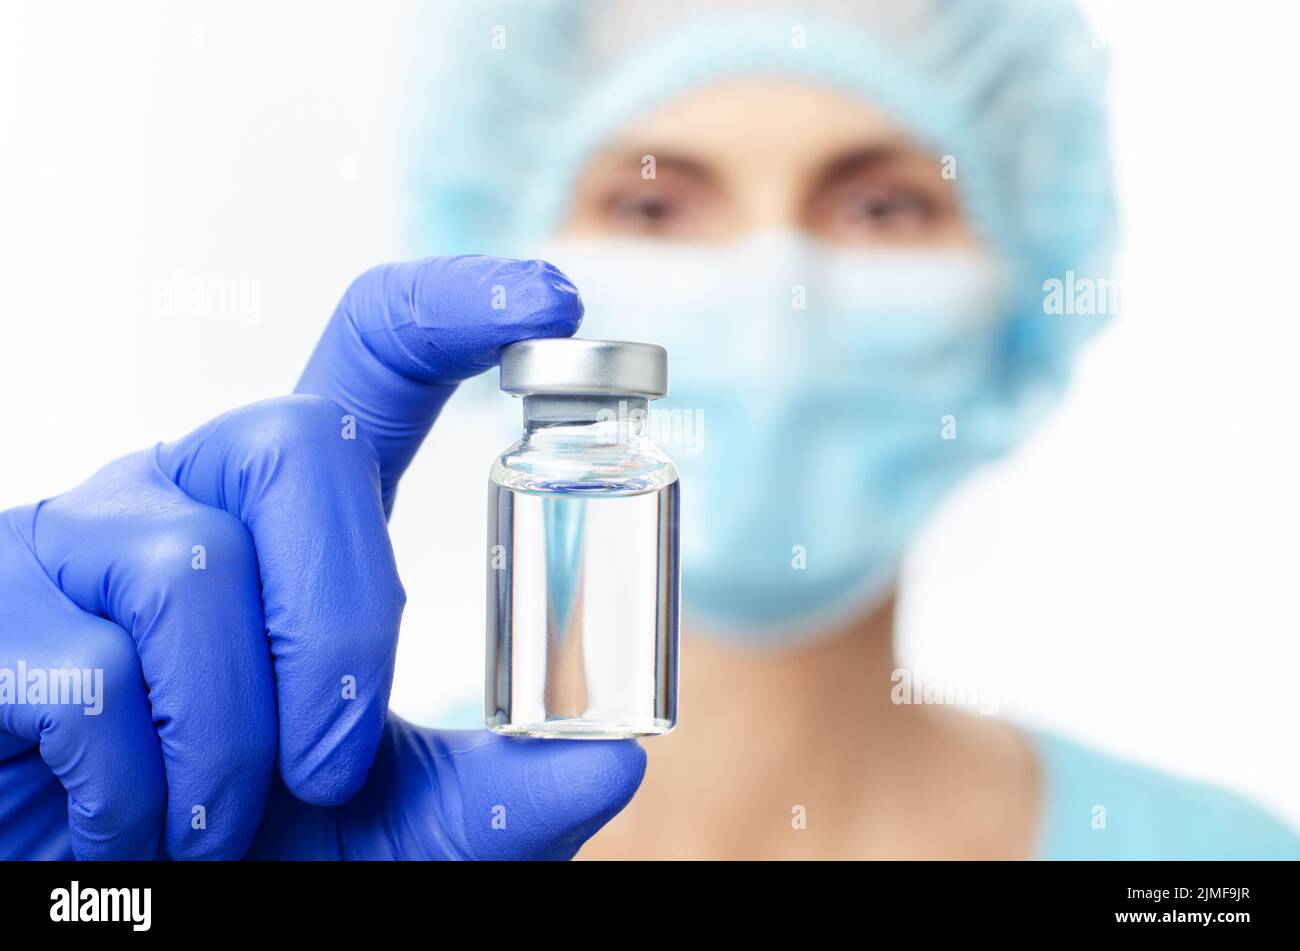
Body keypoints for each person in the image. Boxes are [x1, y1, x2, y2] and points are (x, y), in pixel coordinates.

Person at [0, 0, 1295, 860]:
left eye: (885, 206)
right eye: (659, 206)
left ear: (1020, 266)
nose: (777, 296)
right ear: (513, 224)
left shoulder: (1214, 868)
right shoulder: (305, 810)